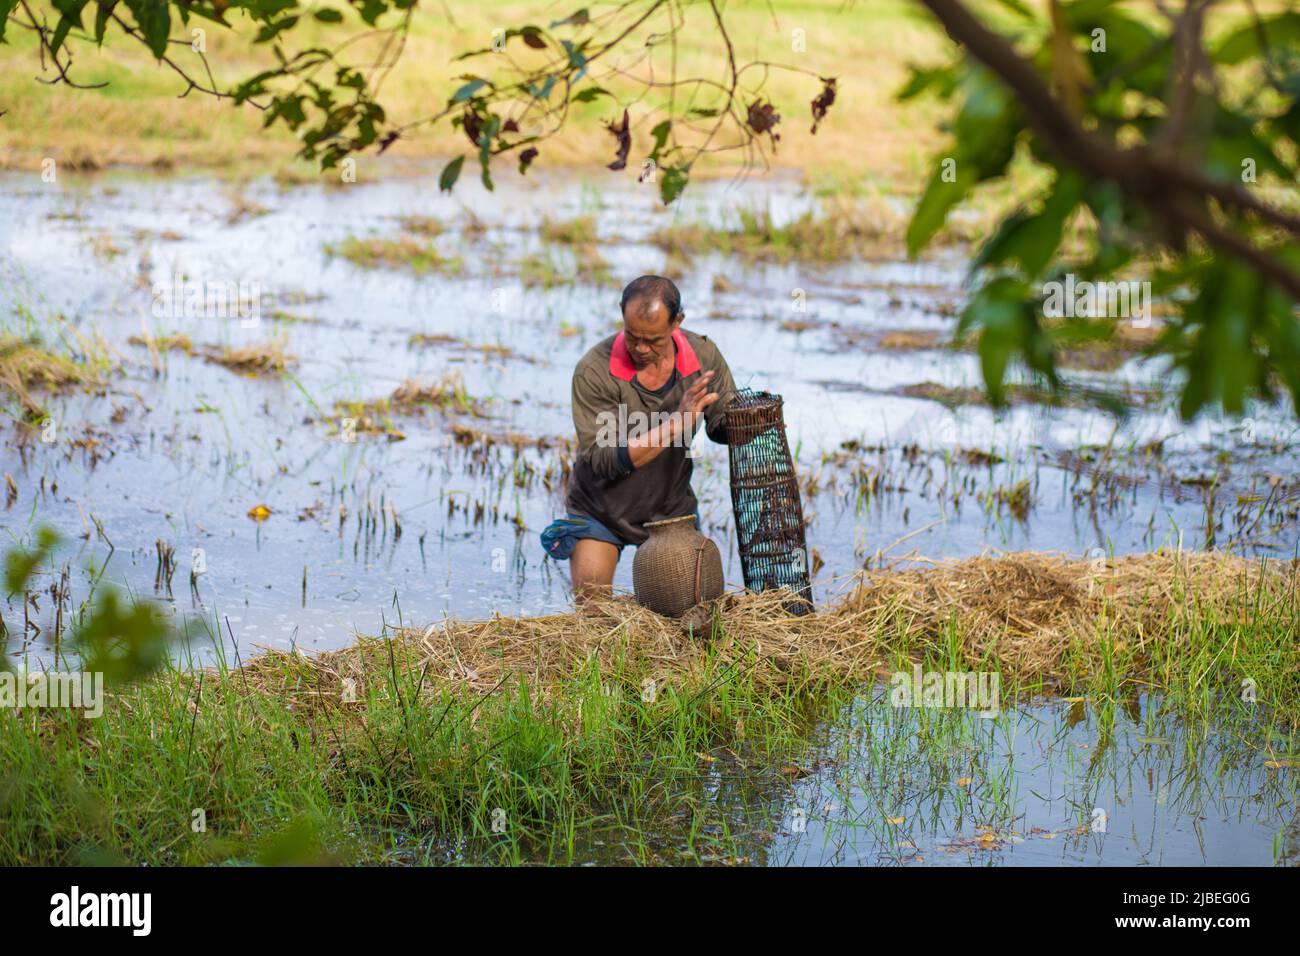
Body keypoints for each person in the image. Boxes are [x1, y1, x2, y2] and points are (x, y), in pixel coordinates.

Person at [541, 275, 738, 598]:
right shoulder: (593, 370)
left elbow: (720, 426)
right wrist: (676, 423)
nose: (641, 349)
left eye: (654, 340)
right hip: (600, 509)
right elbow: (605, 460)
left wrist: (748, 421)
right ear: (622, 313)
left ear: (677, 322)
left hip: (670, 511)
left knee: (688, 616)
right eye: (633, 337)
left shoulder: (703, 356)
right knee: (595, 615)